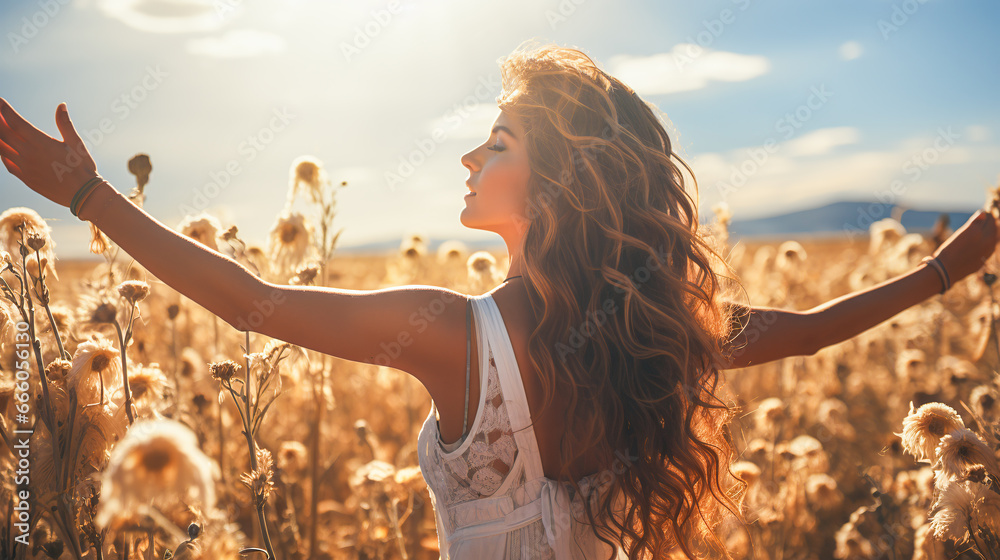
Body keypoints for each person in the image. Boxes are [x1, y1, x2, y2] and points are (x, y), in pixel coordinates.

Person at [1, 41, 997, 559]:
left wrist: (86, 196)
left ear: (557, 182)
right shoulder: (658, 337)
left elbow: (252, 302)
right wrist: (951, 265)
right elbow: (820, 326)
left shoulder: (454, 335)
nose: (470, 156)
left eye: (500, 143)